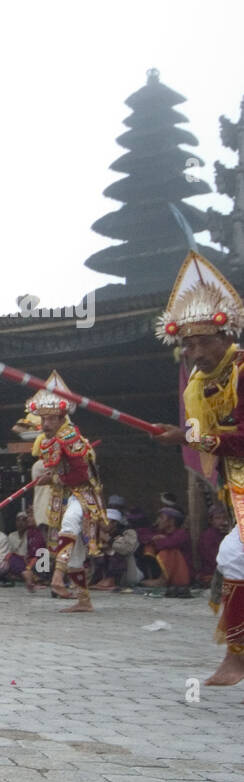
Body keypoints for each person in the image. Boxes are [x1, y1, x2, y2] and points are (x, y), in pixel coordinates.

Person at [151, 252, 244, 684]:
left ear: (223, 334)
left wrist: (186, 437)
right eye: (185, 345)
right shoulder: (201, 384)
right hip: (238, 486)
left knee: (233, 555)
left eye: (197, 342)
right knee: (233, 557)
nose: (189, 353)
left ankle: (236, 659)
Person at [29, 372, 106, 612]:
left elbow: (82, 474)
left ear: (62, 417)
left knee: (69, 526)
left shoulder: (71, 438)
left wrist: (54, 478)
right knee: (75, 556)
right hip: (62, 496)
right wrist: (50, 478)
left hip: (82, 494)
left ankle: (56, 578)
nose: (45, 424)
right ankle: (84, 601)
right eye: (43, 420)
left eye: (50, 419)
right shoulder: (49, 441)